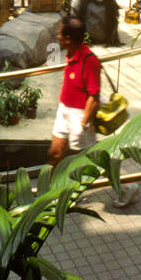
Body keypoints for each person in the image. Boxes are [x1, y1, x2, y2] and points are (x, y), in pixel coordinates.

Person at [48, 17, 100, 168]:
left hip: (80, 115)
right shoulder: (71, 54)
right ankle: (50, 189)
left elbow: (94, 97)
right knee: (55, 154)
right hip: (64, 111)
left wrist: (83, 122)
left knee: (86, 162)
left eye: (60, 33)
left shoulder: (89, 61)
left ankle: (122, 183)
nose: (58, 36)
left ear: (68, 39)